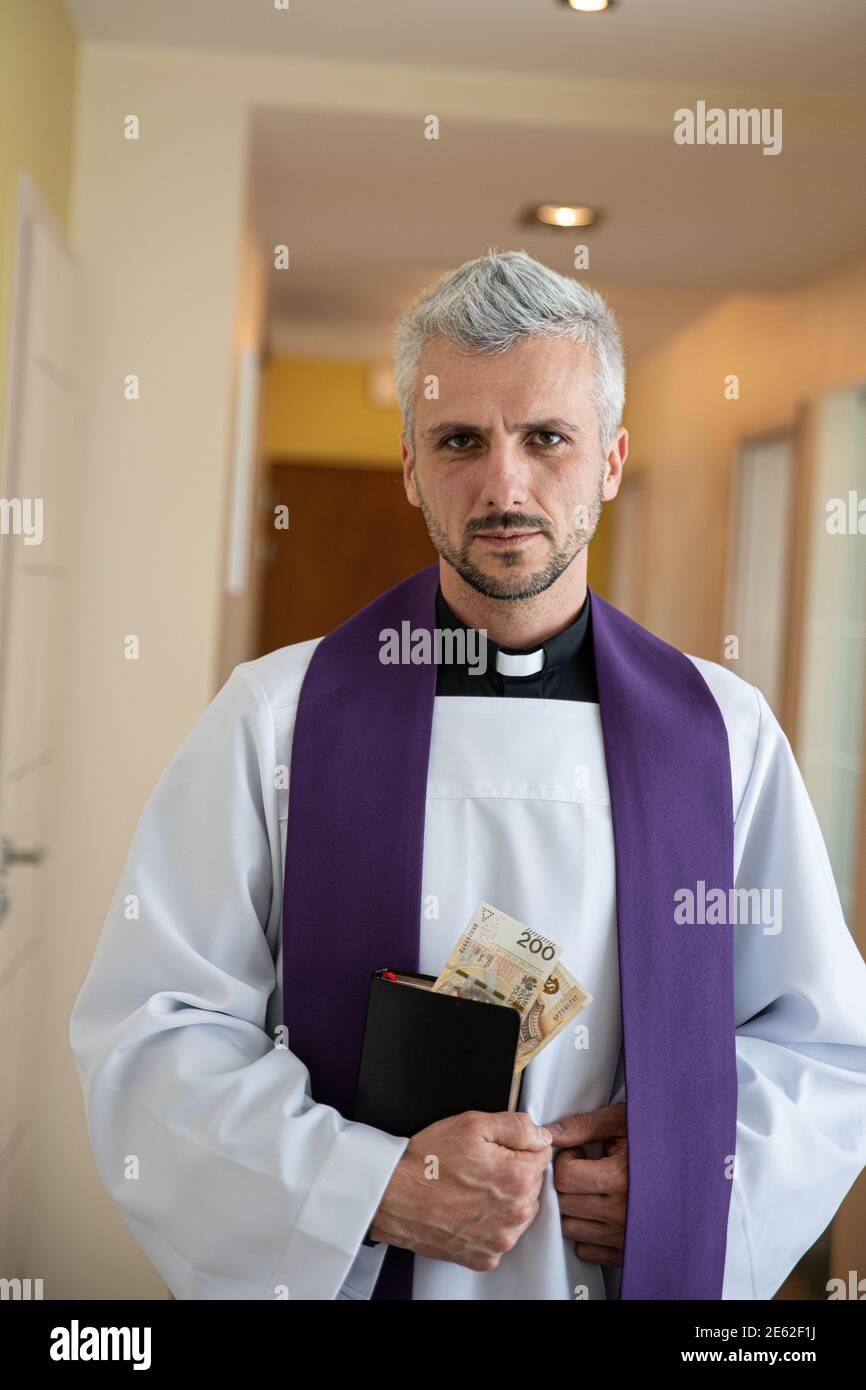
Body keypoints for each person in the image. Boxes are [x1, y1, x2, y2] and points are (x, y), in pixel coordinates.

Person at [70, 250, 866, 1301]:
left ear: (611, 459)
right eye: (459, 441)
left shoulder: (722, 735)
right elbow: (153, 1035)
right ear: (408, 465)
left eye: (546, 438)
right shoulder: (277, 721)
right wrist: (366, 1185)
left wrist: (688, 1181)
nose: (504, 486)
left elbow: (822, 1048)